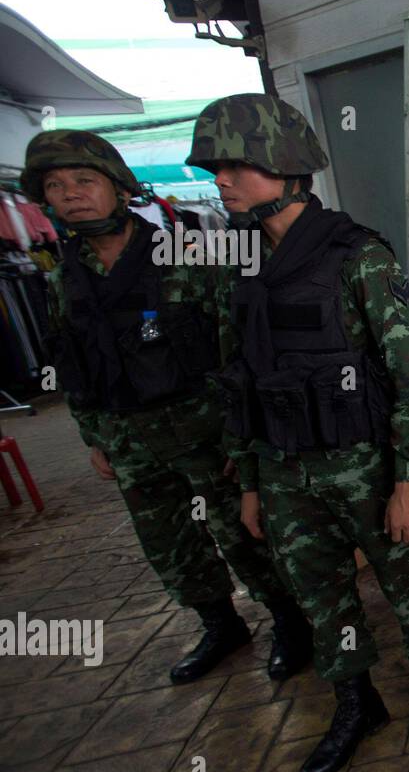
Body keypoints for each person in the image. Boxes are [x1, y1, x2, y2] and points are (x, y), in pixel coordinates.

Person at [187, 94, 409, 772]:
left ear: (285, 169)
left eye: (236, 166)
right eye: (215, 168)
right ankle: (357, 702)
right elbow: (241, 380)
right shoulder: (242, 266)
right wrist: (253, 483)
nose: (220, 180)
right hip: (285, 472)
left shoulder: (358, 255)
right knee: (321, 597)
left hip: (366, 467)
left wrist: (408, 480)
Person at [24, 130, 313, 684]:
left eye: (84, 180)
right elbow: (70, 360)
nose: (71, 194)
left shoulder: (186, 257)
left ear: (117, 187)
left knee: (243, 536)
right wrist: (96, 438)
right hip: (130, 441)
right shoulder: (65, 278)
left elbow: (238, 351)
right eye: (56, 186)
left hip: (205, 436)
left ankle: (289, 622)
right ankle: (221, 626)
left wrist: (241, 436)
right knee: (170, 543)